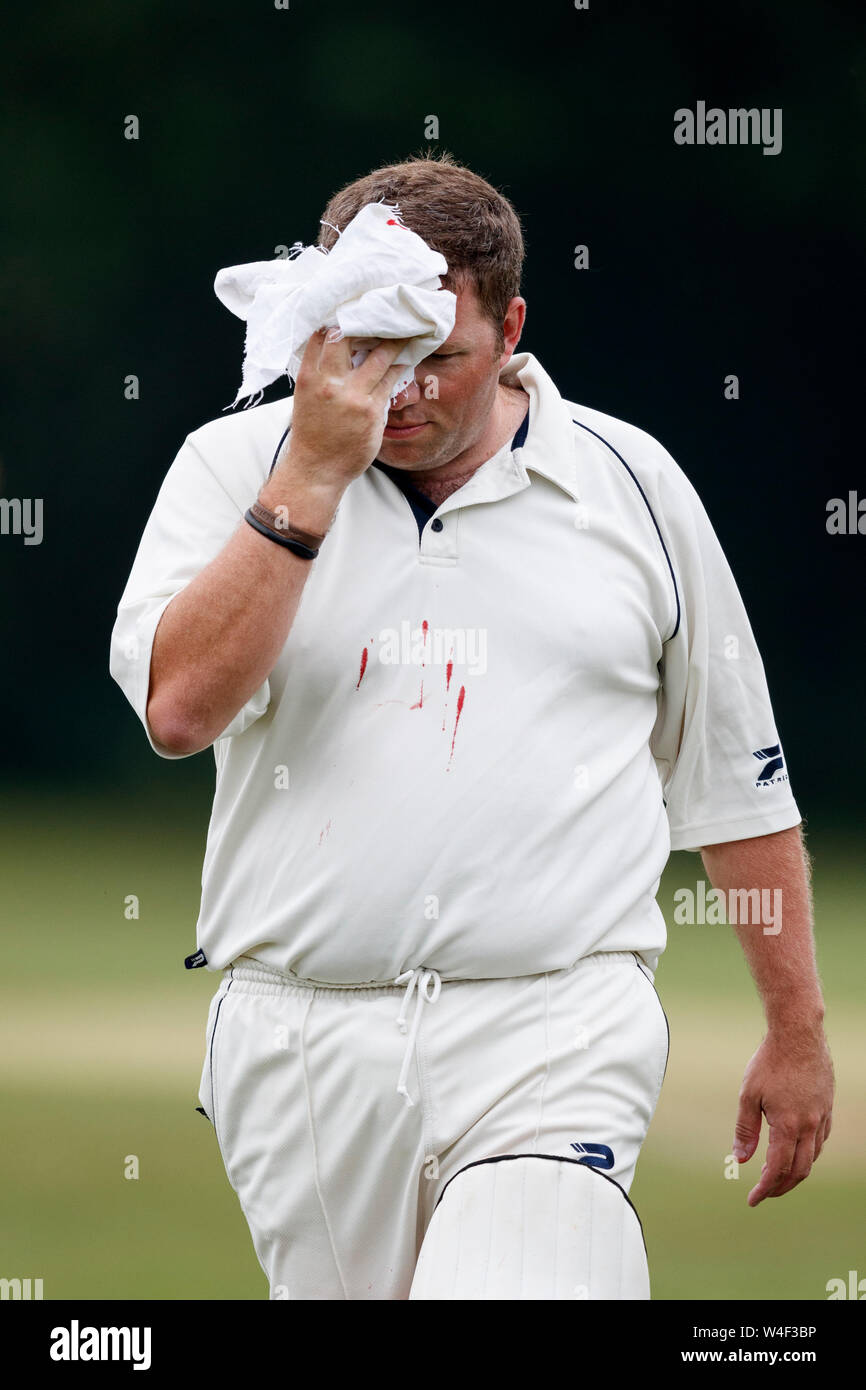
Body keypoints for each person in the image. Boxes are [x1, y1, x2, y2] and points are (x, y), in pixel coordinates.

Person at [109, 152, 834, 1301]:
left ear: (511, 329)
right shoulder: (228, 466)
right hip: (298, 1041)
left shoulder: (631, 481)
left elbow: (732, 782)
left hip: (555, 1021)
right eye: (369, 352)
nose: (400, 394)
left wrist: (795, 1031)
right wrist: (306, 480)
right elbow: (181, 711)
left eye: (438, 357)